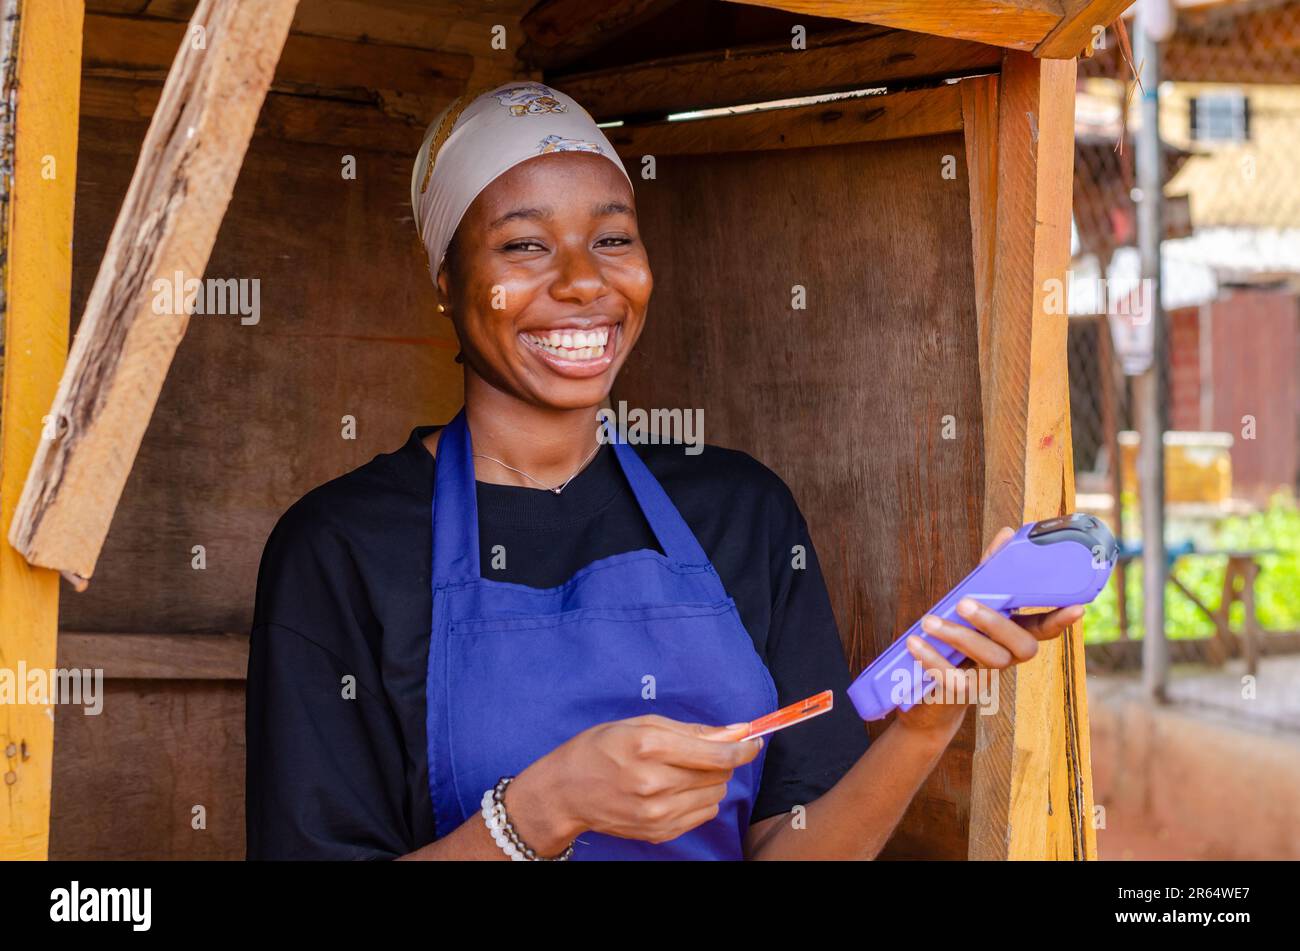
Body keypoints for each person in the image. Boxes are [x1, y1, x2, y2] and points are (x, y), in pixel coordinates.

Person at [245, 81, 1084, 861]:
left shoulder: (740, 511)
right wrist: (545, 807)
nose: (583, 281)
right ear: (447, 281)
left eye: (612, 238)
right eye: (525, 244)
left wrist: (924, 727)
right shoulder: (343, 547)